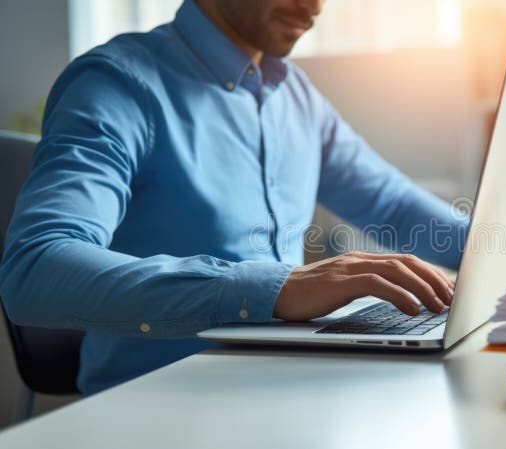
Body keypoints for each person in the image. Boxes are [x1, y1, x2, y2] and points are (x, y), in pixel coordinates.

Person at [0, 0, 467, 395]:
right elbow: (35, 269)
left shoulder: (296, 98)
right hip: (155, 403)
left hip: (287, 387)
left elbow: (394, 207)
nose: (314, 5)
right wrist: (276, 289)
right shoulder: (118, 86)